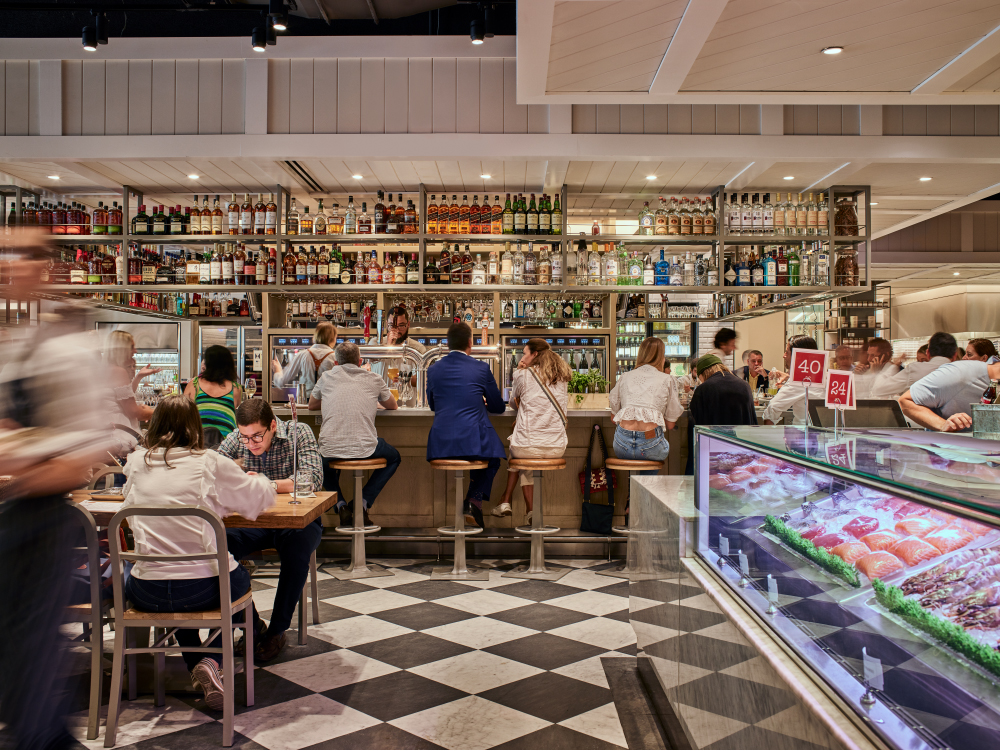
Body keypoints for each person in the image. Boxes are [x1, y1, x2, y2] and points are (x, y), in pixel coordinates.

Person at [0, 232, 112, 749]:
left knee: (30, 670)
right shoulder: (17, 343)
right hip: (12, 519)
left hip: (39, 524)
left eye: (17, 254)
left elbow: (81, 462)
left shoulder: (70, 352)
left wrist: (20, 465)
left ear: (45, 269)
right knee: (19, 672)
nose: (6, 264)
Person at [121, 395, 273, 710]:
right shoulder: (209, 461)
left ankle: (199, 665)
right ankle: (211, 659)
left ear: (154, 423)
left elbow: (129, 499)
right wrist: (260, 482)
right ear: (195, 426)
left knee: (151, 581)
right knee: (238, 580)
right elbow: (256, 502)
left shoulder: (135, 461)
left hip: (146, 590)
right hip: (201, 588)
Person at [216, 399, 324, 661]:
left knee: (297, 549)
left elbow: (312, 478)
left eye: (257, 436)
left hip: (296, 521)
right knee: (218, 545)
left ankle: (276, 631)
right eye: (245, 437)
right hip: (252, 522)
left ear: (273, 426)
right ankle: (251, 625)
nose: (250, 444)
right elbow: (211, 474)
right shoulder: (236, 438)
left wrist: (266, 485)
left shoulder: (298, 432)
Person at [309, 341, 400, 528]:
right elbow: (393, 405)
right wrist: (371, 401)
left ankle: (340, 505)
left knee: (321, 463)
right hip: (365, 446)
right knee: (394, 458)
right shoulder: (374, 378)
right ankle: (362, 503)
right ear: (360, 362)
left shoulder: (326, 377)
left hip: (330, 447)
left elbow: (312, 405)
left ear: (336, 363)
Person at [426, 322, 506, 528]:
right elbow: (498, 407)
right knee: (493, 459)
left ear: (446, 344)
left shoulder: (433, 369)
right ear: (471, 342)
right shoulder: (481, 367)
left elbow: (433, 405)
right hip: (472, 442)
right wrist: (481, 400)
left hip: (440, 443)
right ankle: (473, 500)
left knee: (483, 454)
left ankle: (473, 501)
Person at [491, 339, 570, 523]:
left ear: (534, 354)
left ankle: (507, 499)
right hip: (557, 448)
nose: (522, 357)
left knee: (521, 451)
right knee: (527, 456)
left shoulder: (522, 374)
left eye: (524, 353)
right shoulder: (561, 376)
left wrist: (519, 372)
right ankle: (530, 512)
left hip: (527, 446)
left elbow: (512, 402)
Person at [609, 337, 682, 475]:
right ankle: (644, 492)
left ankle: (633, 495)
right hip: (651, 445)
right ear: (661, 357)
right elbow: (670, 425)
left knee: (636, 463)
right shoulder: (668, 379)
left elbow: (614, 418)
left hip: (621, 446)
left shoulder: (625, 376)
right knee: (654, 454)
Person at [899, 357, 992, 433]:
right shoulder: (958, 374)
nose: (965, 357)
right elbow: (906, 401)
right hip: (950, 450)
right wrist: (943, 425)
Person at [361, 306, 428, 407]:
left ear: (408, 324)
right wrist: (388, 347)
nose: (396, 330)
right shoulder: (375, 343)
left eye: (401, 326)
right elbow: (371, 360)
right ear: (386, 324)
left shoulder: (417, 348)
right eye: (391, 325)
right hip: (379, 407)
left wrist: (406, 379)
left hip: (407, 408)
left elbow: (422, 381)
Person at [870, 331, 957, 398]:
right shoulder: (963, 371)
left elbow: (878, 390)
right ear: (955, 355)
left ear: (928, 353)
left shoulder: (915, 369)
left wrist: (887, 369)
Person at [105, 329, 159, 433]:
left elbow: (122, 395)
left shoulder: (106, 369)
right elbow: (133, 411)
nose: (135, 351)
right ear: (120, 349)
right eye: (131, 347)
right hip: (120, 430)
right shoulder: (118, 372)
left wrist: (138, 377)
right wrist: (155, 412)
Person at [184, 344, 242, 440]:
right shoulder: (235, 388)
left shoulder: (194, 384)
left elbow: (183, 413)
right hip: (226, 446)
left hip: (197, 444)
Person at [761, 335, 818, 426]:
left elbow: (772, 409)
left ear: (797, 356)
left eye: (787, 352)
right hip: (832, 436)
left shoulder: (800, 380)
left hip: (805, 436)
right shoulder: (828, 377)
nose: (784, 356)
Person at [689, 354, 758, 427]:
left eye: (700, 378)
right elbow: (752, 419)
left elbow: (697, 418)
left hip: (716, 436)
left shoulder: (703, 389)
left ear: (703, 373)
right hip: (742, 436)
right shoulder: (745, 385)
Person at [272, 320, 337, 394]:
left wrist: (277, 370)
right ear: (332, 339)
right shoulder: (335, 357)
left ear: (315, 336)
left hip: (306, 401)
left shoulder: (302, 354)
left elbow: (281, 382)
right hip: (328, 400)